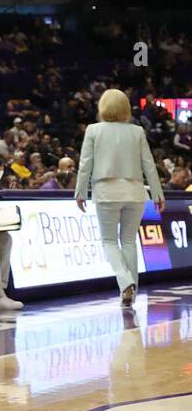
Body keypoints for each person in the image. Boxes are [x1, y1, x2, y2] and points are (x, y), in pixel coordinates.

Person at [75, 89, 166, 306]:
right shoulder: (137, 132)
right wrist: (157, 193)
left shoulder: (93, 130)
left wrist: (80, 191)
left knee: (109, 241)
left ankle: (125, 281)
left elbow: (85, 164)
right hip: (135, 192)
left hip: (107, 192)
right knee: (128, 241)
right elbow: (149, 165)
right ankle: (130, 293)